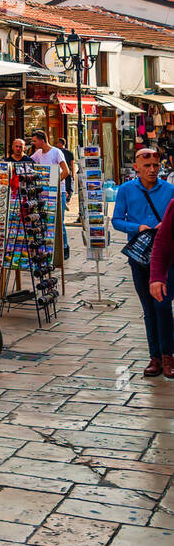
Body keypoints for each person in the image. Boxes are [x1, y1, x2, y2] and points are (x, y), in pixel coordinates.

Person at [117, 148, 174, 377]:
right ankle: (155, 358)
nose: (152, 170)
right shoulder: (126, 190)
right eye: (147, 166)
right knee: (149, 309)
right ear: (137, 168)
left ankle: (169, 355)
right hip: (140, 256)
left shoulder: (170, 190)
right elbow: (117, 221)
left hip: (167, 257)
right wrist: (137, 227)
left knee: (163, 305)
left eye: (156, 165)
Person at [31, 130, 70, 259]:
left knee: (59, 220)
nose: (33, 143)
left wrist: (54, 183)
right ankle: (49, 247)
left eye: (35, 141)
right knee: (46, 220)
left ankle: (64, 247)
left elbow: (66, 171)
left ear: (42, 140)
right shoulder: (38, 153)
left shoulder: (56, 152)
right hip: (43, 193)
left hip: (58, 192)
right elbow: (29, 163)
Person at [55, 137, 76, 213]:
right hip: (68, 172)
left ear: (61, 144)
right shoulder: (70, 153)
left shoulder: (57, 152)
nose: (56, 144)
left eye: (57, 143)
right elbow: (72, 164)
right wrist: (73, 174)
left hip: (60, 172)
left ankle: (65, 201)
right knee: (69, 188)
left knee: (63, 188)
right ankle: (66, 201)